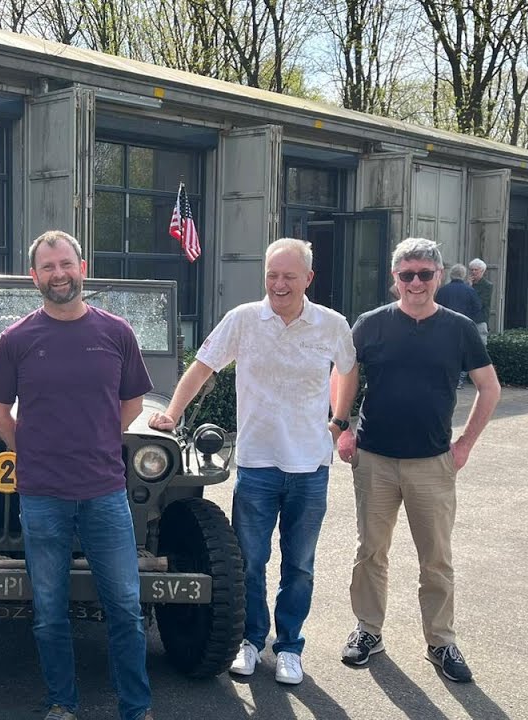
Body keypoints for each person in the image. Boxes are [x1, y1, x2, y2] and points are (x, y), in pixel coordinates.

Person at [149, 238, 357, 686]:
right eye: (271, 275)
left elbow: (348, 368)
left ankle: (288, 647)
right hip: (259, 463)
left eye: (288, 276)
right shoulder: (243, 319)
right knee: (248, 561)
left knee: (299, 565)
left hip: (310, 467)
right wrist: (172, 414)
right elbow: (202, 366)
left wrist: (338, 422)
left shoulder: (331, 324)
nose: (278, 284)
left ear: (308, 279)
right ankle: (250, 639)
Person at [0, 230, 154, 720]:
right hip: (42, 494)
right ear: (33, 276)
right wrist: (31, 452)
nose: (59, 274)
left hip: (105, 491)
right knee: (49, 611)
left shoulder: (116, 332)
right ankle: (61, 703)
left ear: (83, 266)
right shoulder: (16, 338)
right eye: (48, 267)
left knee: (124, 607)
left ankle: (136, 708)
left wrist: (98, 440)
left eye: (66, 264)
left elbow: (133, 403)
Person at [336, 238, 501, 683]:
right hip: (374, 459)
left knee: (437, 559)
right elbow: (343, 373)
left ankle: (441, 642)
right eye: (406, 274)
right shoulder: (370, 325)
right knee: (370, 551)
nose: (415, 282)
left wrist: (464, 443)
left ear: (439, 277)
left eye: (424, 274)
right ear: (395, 280)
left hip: (432, 462)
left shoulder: (459, 328)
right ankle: (368, 631)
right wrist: (341, 426)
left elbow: (490, 388)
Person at [434, 264, 482, 388]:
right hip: (463, 326)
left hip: (444, 326)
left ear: (451, 275)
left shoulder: (443, 290)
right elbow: (477, 307)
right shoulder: (469, 290)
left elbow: (436, 307)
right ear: (464, 275)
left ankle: (446, 378)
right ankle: (459, 380)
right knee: (462, 353)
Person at [468, 258, 493, 346]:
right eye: (471, 270)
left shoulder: (487, 285)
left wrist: (470, 289)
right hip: (467, 319)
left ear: (482, 271)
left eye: (476, 270)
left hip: (480, 320)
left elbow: (480, 303)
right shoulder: (467, 284)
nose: (473, 272)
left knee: (480, 347)